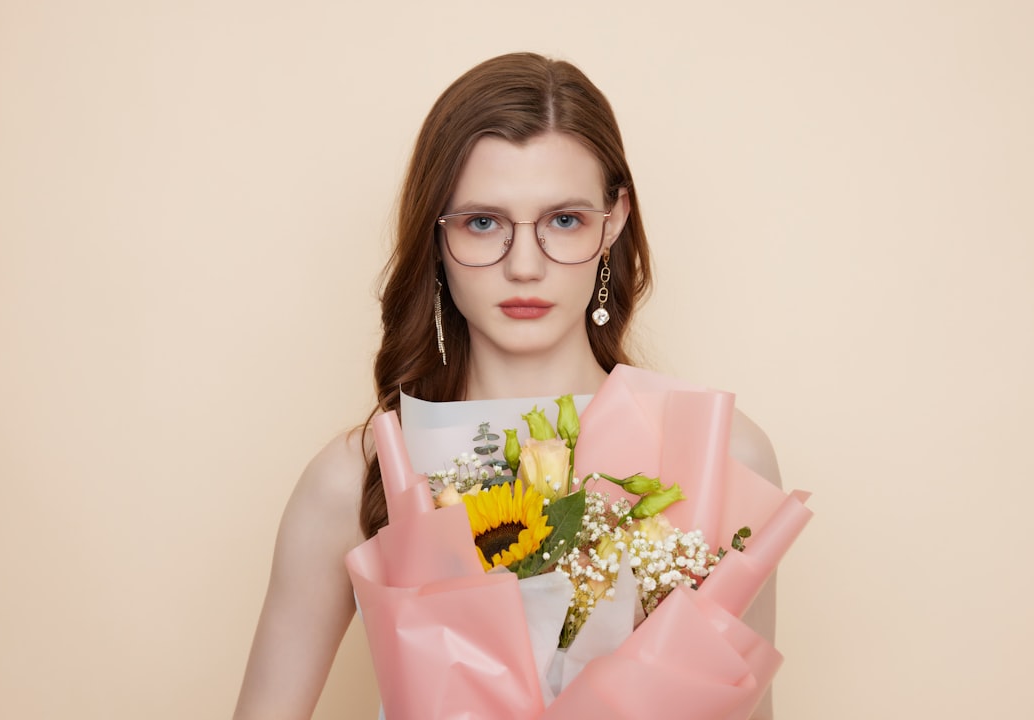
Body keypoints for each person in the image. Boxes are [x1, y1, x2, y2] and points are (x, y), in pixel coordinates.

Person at [233, 52, 782, 720]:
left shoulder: (723, 458)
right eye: (483, 222)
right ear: (435, 236)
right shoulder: (357, 479)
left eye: (565, 220)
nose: (524, 266)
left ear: (613, 221)